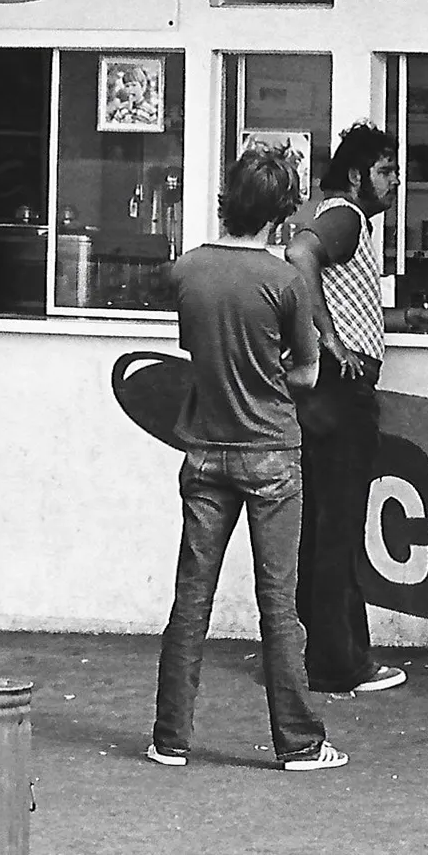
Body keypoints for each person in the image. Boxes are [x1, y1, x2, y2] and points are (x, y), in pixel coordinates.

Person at [149, 149, 345, 770]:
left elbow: (195, 351)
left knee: (191, 598)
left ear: (228, 200)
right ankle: (298, 742)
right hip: (271, 455)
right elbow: (308, 373)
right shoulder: (286, 282)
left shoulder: (186, 271)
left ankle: (169, 737)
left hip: (204, 451)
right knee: (279, 605)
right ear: (283, 213)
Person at [284, 121, 407, 697]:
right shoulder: (347, 216)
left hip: (324, 389)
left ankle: (328, 651)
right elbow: (299, 255)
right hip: (340, 386)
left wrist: (405, 321)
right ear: (358, 176)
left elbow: (334, 287)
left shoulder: (336, 216)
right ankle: (338, 662)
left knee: (323, 524)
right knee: (337, 524)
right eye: (386, 171)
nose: (396, 182)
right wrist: (329, 339)